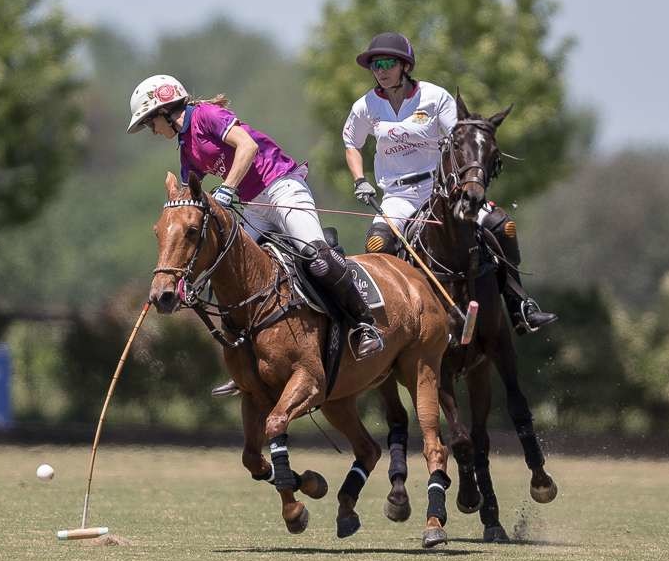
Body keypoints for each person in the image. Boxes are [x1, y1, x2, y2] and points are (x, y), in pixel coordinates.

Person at [127, 75, 384, 395]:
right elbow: (188, 199)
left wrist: (226, 189)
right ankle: (247, 361)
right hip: (253, 206)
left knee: (317, 258)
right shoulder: (185, 147)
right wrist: (178, 279)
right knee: (233, 271)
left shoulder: (205, 115)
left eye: (150, 124)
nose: (153, 132)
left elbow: (246, 146)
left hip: (282, 187)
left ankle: (363, 325)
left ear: (164, 112)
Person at [343, 32, 557, 334]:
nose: (381, 69)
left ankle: (519, 305)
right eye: (375, 64)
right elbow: (352, 142)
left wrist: (468, 182)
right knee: (377, 243)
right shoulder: (365, 106)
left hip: (441, 189)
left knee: (502, 225)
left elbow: (463, 140)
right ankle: (384, 327)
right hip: (398, 194)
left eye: (388, 62)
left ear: (405, 65)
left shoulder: (434, 97)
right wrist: (359, 180)